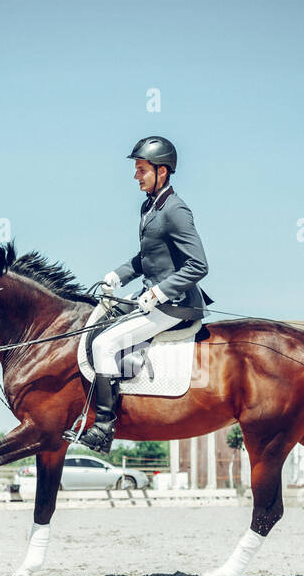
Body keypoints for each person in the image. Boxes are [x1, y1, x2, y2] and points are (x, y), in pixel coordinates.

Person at [73, 136, 213, 452]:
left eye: (141, 170)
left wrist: (161, 292)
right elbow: (147, 257)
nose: (136, 176)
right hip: (152, 296)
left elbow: (198, 265)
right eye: (136, 170)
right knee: (99, 324)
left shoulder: (176, 210)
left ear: (161, 172)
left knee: (106, 343)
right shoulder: (149, 206)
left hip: (176, 305)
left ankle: (104, 428)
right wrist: (117, 276)